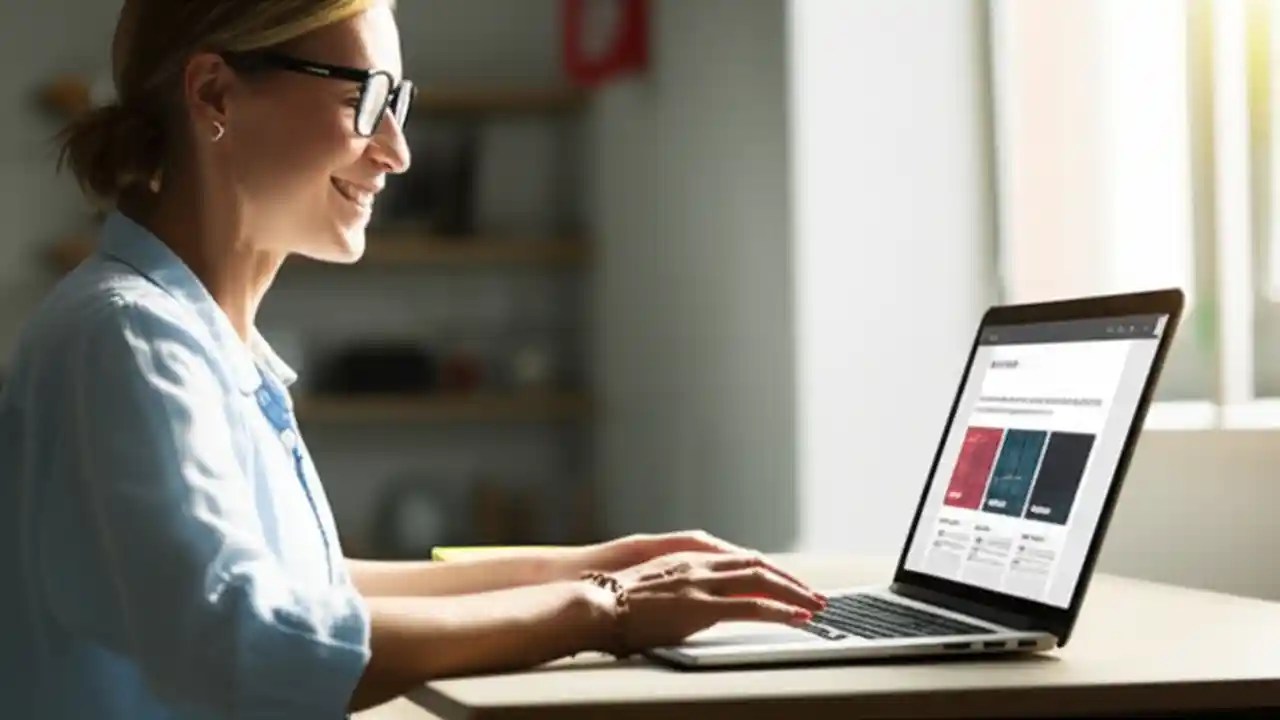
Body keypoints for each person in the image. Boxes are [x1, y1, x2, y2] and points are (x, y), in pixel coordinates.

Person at [0, 1, 827, 717]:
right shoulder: (128, 340)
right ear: (214, 93)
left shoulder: (182, 336)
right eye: (364, 98)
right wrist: (598, 611)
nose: (395, 150)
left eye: (398, 102)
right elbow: (251, 638)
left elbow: (312, 590)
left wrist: (599, 566)